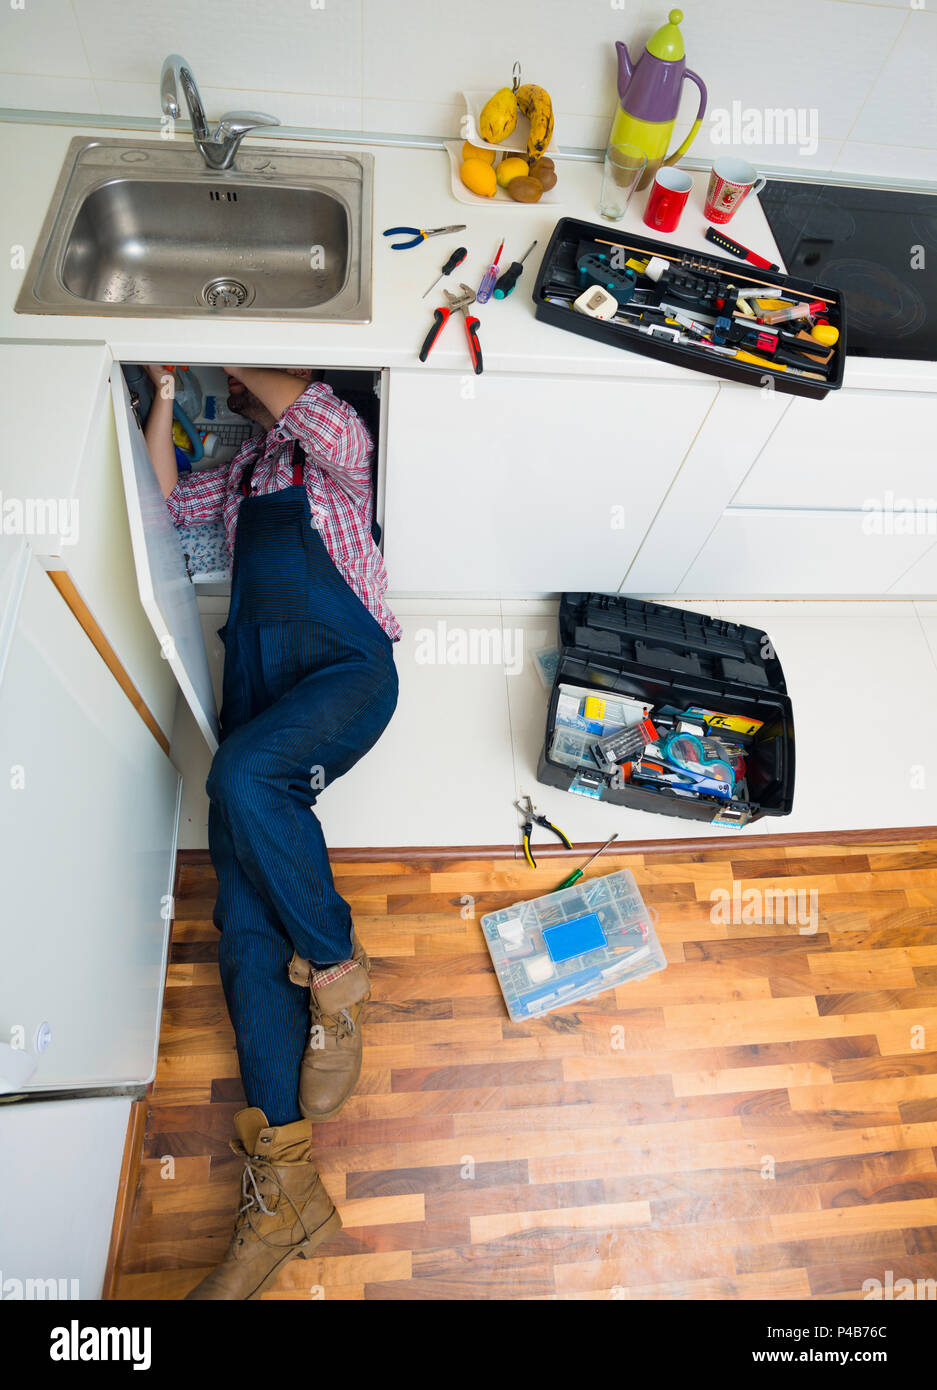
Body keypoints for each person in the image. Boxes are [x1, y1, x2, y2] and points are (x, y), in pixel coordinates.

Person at [143, 365, 400, 1299]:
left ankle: (337, 969)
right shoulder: (242, 466)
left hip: (346, 671)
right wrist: (168, 390)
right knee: (243, 925)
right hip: (259, 691)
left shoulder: (337, 448)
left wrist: (216, 344)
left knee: (245, 775)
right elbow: (164, 505)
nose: (249, 402)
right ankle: (282, 1188)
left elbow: (298, 404)